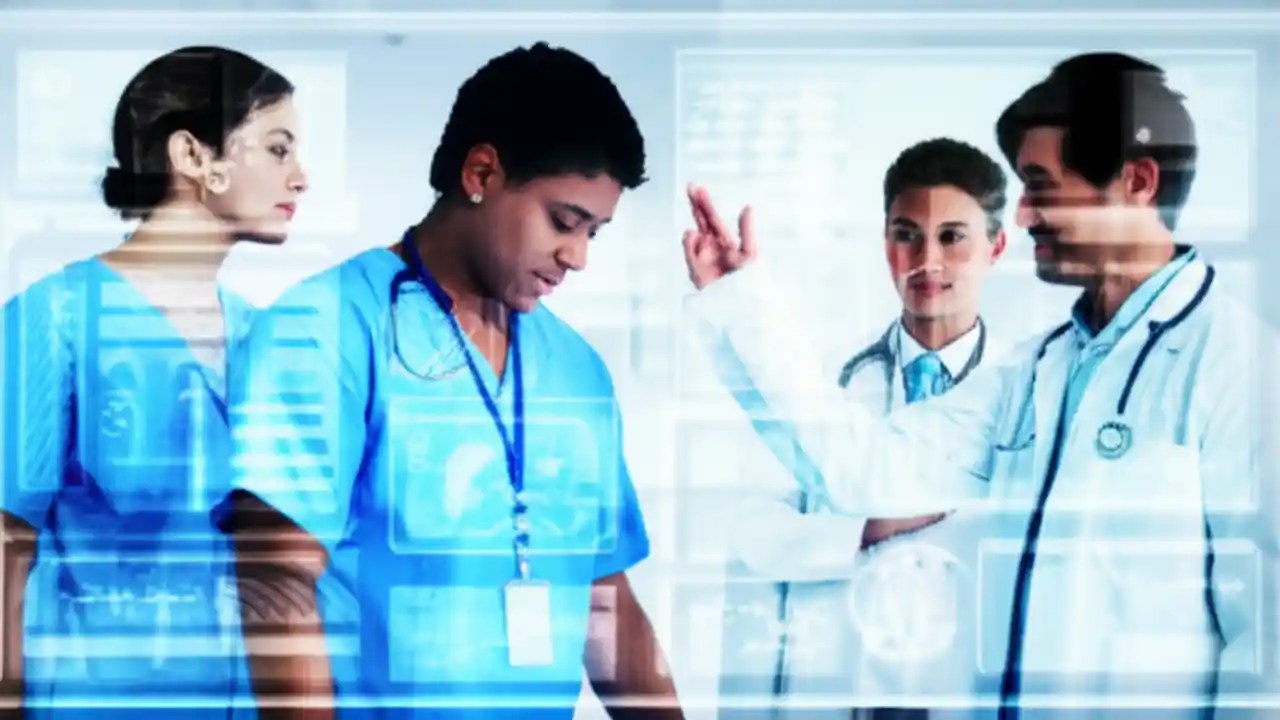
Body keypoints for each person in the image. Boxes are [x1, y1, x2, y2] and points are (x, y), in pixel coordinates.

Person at [683, 52, 1279, 719]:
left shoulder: (1240, 368)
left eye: (1041, 186)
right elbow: (866, 470)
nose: (1022, 216)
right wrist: (744, 302)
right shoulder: (1035, 373)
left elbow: (1267, 643)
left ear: (1136, 182)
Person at [216, 42, 681, 720]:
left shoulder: (576, 370)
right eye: (562, 221)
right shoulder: (324, 330)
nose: (576, 257)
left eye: (595, 233)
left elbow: (604, 598)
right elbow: (276, 582)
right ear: (482, 171)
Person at [1, 45, 308, 719]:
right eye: (278, 148)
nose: (301, 177)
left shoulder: (269, 342)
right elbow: (5, 551)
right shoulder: (55, 321)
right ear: (194, 156)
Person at [718, 138, 1010, 720]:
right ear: (885, 244)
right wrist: (864, 531)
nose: (927, 260)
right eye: (907, 234)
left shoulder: (1025, 397)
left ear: (995, 247)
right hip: (834, 690)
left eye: (952, 237)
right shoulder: (820, 382)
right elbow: (753, 530)